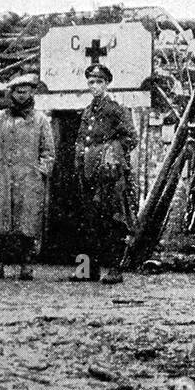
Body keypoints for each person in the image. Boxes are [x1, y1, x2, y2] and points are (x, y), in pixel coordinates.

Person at [0, 74, 55, 280]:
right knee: (0, 222)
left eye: (26, 91)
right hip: (2, 178)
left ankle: (26, 264)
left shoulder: (40, 120)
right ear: (11, 93)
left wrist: (39, 172)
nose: (22, 96)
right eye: (18, 91)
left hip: (29, 179)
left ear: (32, 93)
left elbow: (48, 152)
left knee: (27, 223)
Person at [72, 63, 138, 284]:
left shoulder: (116, 109)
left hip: (110, 175)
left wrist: (112, 151)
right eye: (91, 82)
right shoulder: (88, 111)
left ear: (107, 84)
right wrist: (80, 154)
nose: (95, 86)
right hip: (90, 173)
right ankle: (87, 270)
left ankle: (114, 270)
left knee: (113, 221)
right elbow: (82, 138)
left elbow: (131, 137)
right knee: (90, 221)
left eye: (99, 82)